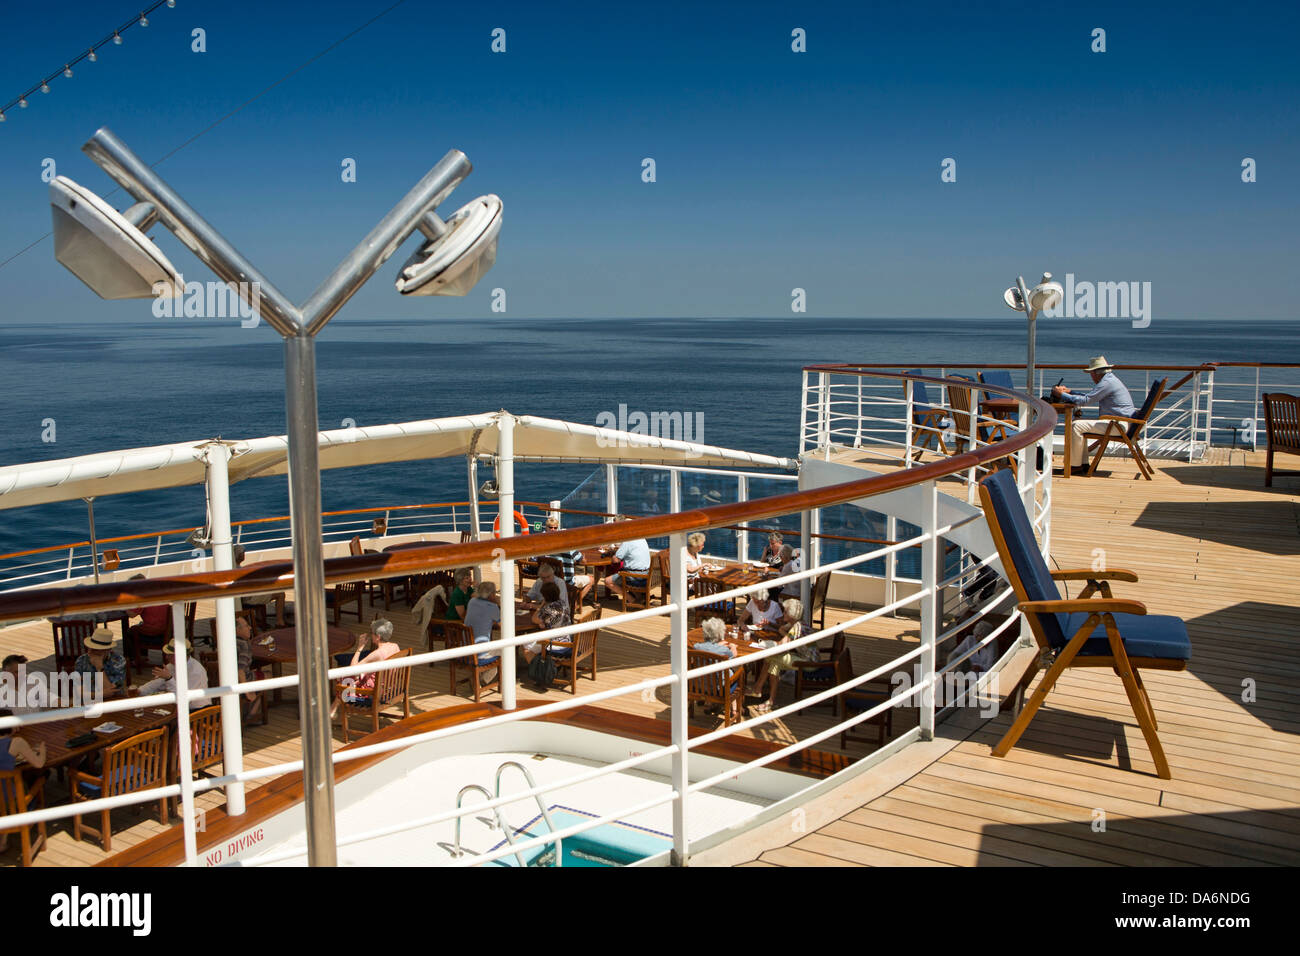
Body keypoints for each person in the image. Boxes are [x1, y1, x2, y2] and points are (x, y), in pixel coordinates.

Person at [1050, 355, 1137, 475]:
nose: (1091, 376)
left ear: (1096, 373)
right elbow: (1091, 396)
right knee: (1079, 425)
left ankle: (1074, 466)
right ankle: (1083, 464)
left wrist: (1061, 395)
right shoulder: (1110, 380)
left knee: (1076, 426)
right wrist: (1069, 392)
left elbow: (1086, 401)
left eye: (1091, 373)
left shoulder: (1107, 383)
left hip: (1117, 425)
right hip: (1121, 423)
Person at [751, 598, 817, 714]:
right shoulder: (796, 623)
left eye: (785, 611)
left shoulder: (797, 627)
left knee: (771, 658)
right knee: (773, 660)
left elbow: (782, 645)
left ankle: (761, 691)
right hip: (804, 657)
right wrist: (777, 628)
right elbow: (782, 631)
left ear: (791, 614)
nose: (783, 613)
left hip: (809, 662)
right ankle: (766, 696)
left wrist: (767, 645)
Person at [330, 619, 400, 719]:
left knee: (345, 679)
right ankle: (333, 708)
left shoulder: (377, 654)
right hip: (389, 689)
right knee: (350, 679)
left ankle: (334, 708)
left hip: (375, 695)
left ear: (378, 637)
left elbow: (352, 669)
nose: (371, 636)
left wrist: (360, 647)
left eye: (372, 633)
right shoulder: (395, 646)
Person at [136, 637, 208, 710]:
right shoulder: (171, 666)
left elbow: (184, 700)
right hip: (176, 706)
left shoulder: (196, 671)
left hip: (197, 710)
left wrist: (169, 678)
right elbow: (156, 683)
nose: (167, 657)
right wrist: (139, 691)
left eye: (170, 655)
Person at [543, 516, 593, 605]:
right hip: (566, 581)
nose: (553, 529)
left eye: (555, 528)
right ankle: (575, 603)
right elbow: (582, 560)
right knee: (591, 579)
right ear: (546, 527)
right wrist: (582, 558)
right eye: (551, 527)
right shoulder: (567, 546)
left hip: (548, 578)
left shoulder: (542, 541)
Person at [521, 580, 572, 667]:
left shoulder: (547, 609)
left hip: (556, 644)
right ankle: (543, 663)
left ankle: (539, 671)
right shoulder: (562, 603)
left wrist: (540, 606)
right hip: (566, 639)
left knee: (526, 644)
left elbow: (534, 619)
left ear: (545, 596)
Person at [605, 516, 651, 601]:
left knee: (608, 581)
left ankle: (632, 600)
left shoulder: (629, 541)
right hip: (646, 573)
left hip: (635, 576)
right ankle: (639, 598)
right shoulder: (642, 538)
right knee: (622, 571)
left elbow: (616, 560)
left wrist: (611, 556)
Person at [462, 581, 501, 683]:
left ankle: (479, 677)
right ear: (491, 594)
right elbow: (503, 626)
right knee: (508, 650)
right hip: (479, 654)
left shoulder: (472, 602)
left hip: (465, 649)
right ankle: (481, 680)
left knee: (494, 645)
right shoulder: (493, 607)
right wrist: (499, 603)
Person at [125, 574, 169, 662]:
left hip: (156, 633)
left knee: (131, 631)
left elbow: (132, 615)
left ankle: (135, 658)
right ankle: (143, 656)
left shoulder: (143, 597)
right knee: (141, 626)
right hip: (167, 630)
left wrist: (124, 606)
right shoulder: (157, 592)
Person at [74, 629, 127, 694]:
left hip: (114, 701)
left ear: (108, 650)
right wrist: (100, 695)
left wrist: (99, 668)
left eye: (95, 649)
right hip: (90, 701)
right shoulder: (81, 661)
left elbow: (111, 692)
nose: (90, 652)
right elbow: (80, 692)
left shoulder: (118, 661)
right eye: (89, 647)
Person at [234, 616, 265, 721]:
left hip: (227, 680)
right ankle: (252, 713)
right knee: (269, 675)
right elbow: (240, 670)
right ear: (238, 630)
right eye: (246, 626)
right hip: (240, 680)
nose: (250, 628)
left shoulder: (229, 642)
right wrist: (247, 692)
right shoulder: (243, 645)